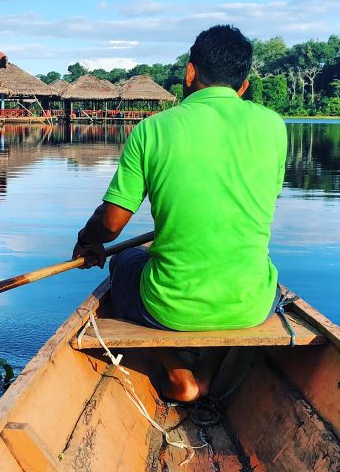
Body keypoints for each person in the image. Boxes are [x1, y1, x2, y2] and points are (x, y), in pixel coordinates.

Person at [72, 25, 287, 402]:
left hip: (167, 308)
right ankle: (208, 368)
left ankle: (177, 371)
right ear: (244, 85)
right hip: (252, 304)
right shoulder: (274, 126)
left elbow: (111, 225)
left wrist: (86, 241)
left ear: (190, 73)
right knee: (256, 277)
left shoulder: (153, 129)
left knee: (123, 260)